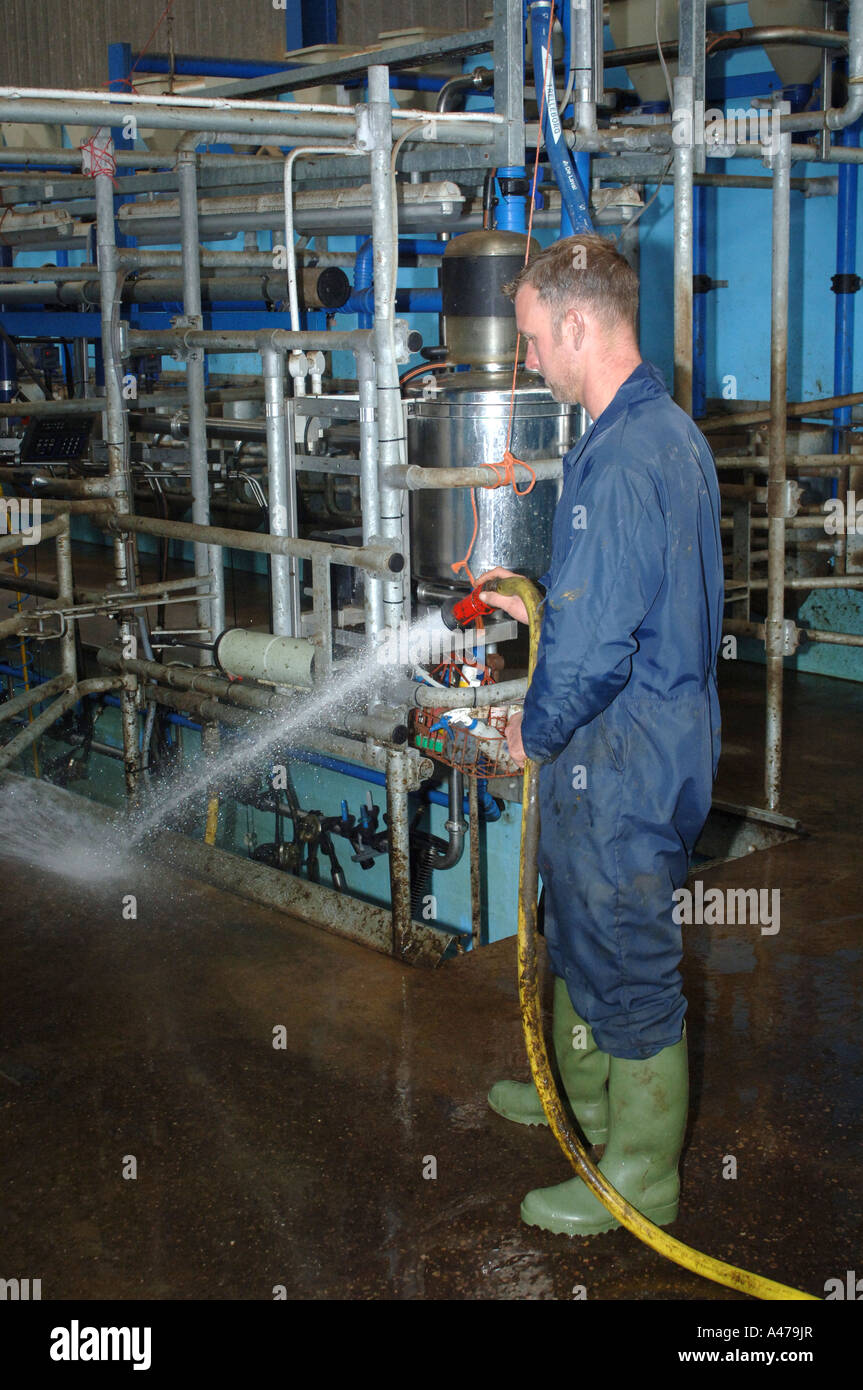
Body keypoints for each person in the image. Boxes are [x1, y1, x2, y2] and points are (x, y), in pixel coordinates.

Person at [476, 233, 724, 1237]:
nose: (530, 359)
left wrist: (530, 732)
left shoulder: (622, 456)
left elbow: (592, 648)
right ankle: (576, 1100)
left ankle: (639, 1175)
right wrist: (531, 575)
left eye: (535, 339)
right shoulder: (651, 432)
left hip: (623, 753)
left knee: (624, 955)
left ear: (577, 324)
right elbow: (611, 587)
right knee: (582, 929)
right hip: (638, 738)